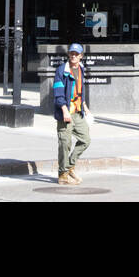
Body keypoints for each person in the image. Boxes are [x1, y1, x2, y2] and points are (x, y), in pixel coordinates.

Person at [52, 42, 91, 185]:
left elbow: (80, 90)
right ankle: (63, 175)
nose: (73, 56)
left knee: (85, 140)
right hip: (66, 113)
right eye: (71, 53)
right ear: (68, 54)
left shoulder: (81, 68)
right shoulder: (61, 71)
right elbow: (58, 93)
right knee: (65, 143)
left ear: (81, 56)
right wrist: (64, 111)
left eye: (76, 54)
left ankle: (69, 166)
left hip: (78, 112)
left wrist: (85, 106)